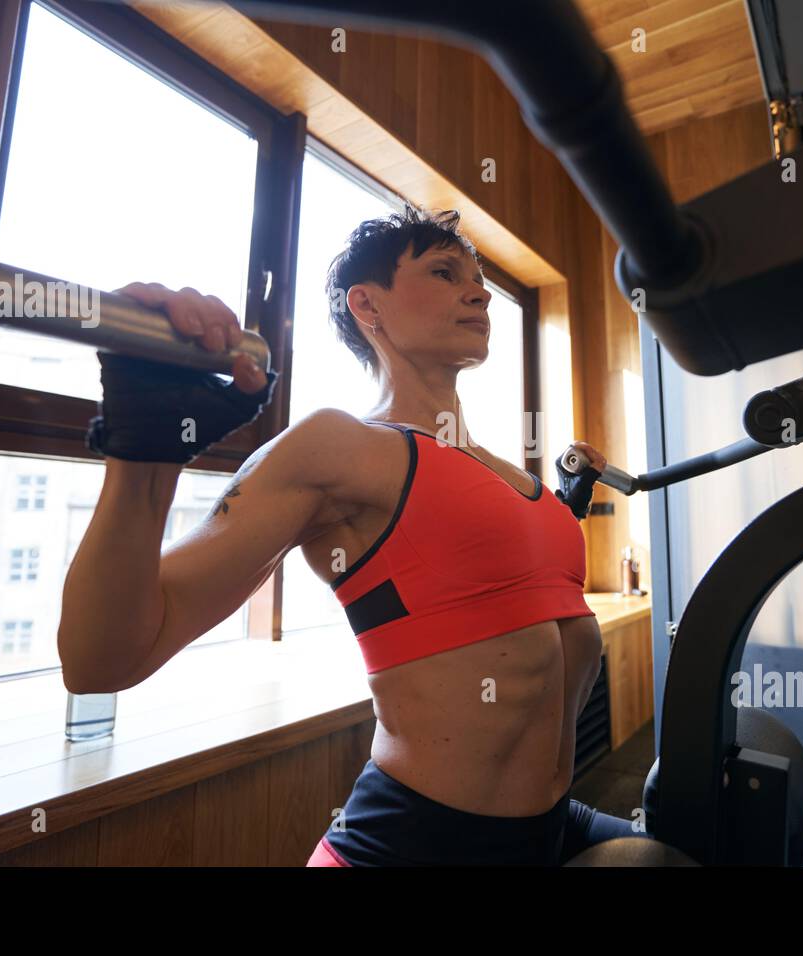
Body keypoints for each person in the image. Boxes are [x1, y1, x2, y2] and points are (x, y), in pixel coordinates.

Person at [58, 203, 649, 866]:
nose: (478, 290)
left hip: (548, 825)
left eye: (478, 276)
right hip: (417, 845)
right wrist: (145, 454)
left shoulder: (520, 482)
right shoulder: (340, 446)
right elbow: (101, 660)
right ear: (367, 307)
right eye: (445, 272)